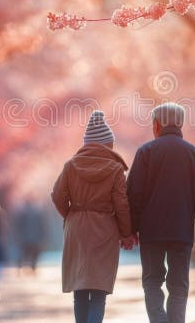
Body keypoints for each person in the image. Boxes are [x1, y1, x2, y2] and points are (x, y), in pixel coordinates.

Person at [127, 102, 195, 323]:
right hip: (181, 232)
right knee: (178, 286)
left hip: (151, 232)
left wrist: (131, 229)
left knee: (152, 282)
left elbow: (133, 195)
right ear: (180, 124)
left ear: (157, 125)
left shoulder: (145, 152)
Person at [52, 110, 136, 323]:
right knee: (99, 291)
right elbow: (122, 204)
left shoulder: (70, 166)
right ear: (108, 144)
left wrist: (71, 215)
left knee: (79, 290)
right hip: (104, 228)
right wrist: (126, 233)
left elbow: (57, 196)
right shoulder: (116, 169)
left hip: (76, 228)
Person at [14, 195, 45, 273]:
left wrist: (18, 235)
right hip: (35, 237)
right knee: (34, 253)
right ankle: (33, 267)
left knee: (24, 253)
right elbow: (42, 225)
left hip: (25, 237)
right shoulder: (37, 211)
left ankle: (20, 267)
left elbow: (18, 226)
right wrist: (42, 235)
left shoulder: (22, 212)